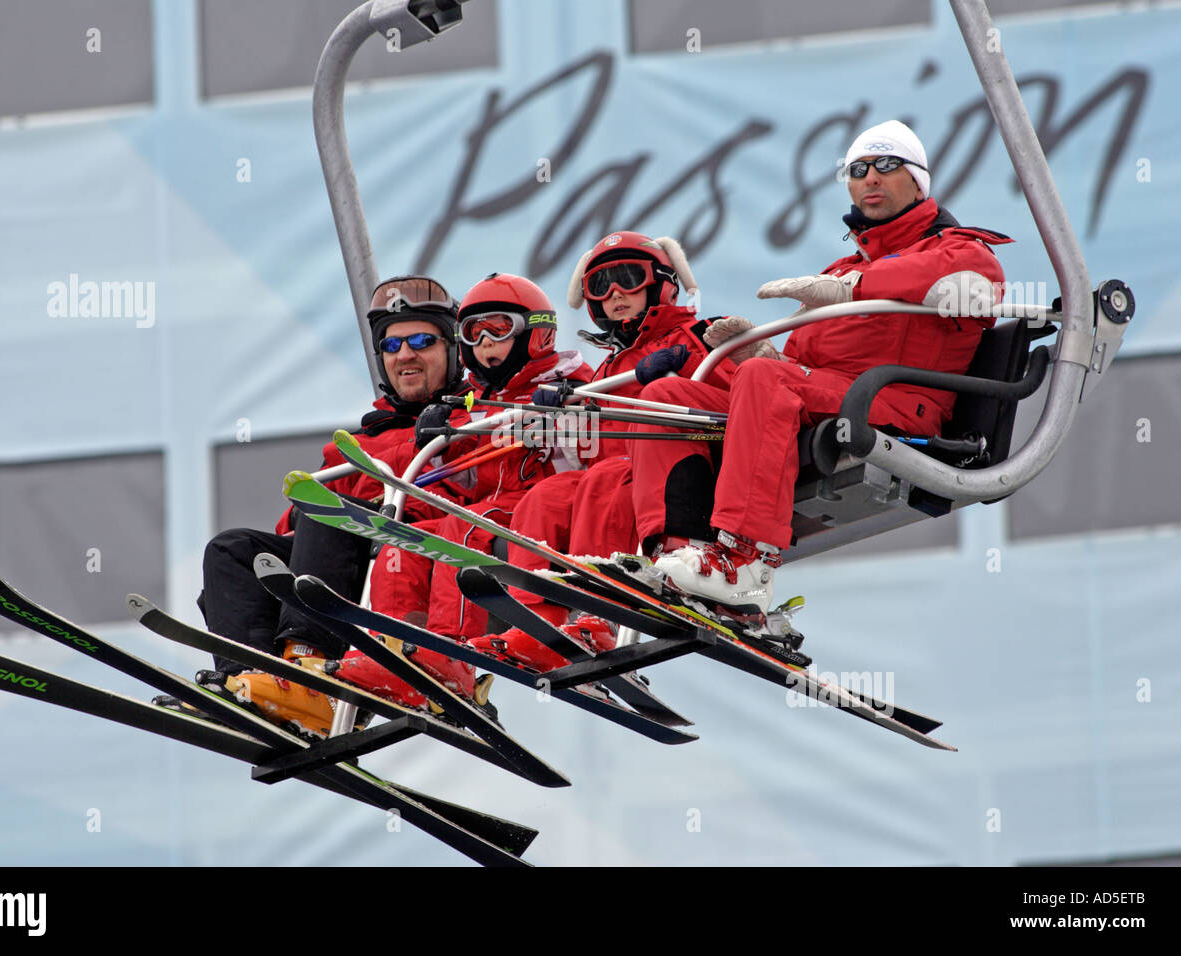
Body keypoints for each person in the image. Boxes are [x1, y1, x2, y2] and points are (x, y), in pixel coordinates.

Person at [633, 120, 1012, 616]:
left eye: (887, 165)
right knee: (667, 399)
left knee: (765, 380)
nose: (871, 178)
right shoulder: (839, 269)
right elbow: (802, 366)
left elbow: (979, 287)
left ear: (918, 181)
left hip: (890, 400)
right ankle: (680, 550)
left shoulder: (957, 249)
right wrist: (760, 356)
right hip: (824, 393)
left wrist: (855, 287)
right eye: (858, 169)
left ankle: (747, 560)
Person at [184, 275, 474, 738]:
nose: (405, 354)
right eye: (392, 344)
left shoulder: (474, 423)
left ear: (453, 351)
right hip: (343, 552)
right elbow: (294, 533)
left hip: (413, 550)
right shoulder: (357, 443)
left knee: (332, 510)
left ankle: (310, 676)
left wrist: (444, 440)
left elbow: (481, 504)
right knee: (232, 549)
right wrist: (304, 517)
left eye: (422, 340)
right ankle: (250, 680)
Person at [475, 231, 740, 671]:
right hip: (617, 471)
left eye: (628, 278)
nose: (615, 293)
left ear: (661, 281)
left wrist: (689, 364)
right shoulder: (608, 366)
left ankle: (600, 618)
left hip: (683, 469)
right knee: (547, 497)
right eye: (601, 285)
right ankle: (540, 625)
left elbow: (739, 403)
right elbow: (591, 441)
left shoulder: (699, 335)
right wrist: (559, 412)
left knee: (604, 480)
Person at [329, 273, 594, 707]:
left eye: (500, 329)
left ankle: (451, 653)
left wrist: (567, 411)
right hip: (496, 510)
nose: (487, 343)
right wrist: (444, 436)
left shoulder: (565, 378)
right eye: (475, 333)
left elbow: (596, 450)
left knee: (461, 530)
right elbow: (465, 478)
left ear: (535, 331)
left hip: (545, 509)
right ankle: (397, 652)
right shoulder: (474, 400)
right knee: (405, 543)